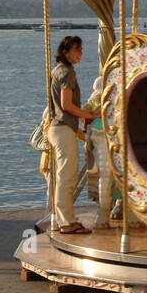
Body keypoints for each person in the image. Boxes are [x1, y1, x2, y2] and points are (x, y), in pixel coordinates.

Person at [47, 36, 98, 234]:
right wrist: (90, 115)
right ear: (66, 52)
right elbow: (66, 105)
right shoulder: (67, 73)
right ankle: (66, 221)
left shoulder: (57, 71)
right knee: (67, 176)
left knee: (65, 175)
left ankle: (66, 218)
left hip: (58, 127)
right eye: (77, 49)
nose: (80, 53)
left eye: (80, 49)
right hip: (63, 127)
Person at [85, 77, 122, 229]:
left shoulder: (97, 99)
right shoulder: (98, 99)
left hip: (106, 135)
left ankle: (107, 209)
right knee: (112, 174)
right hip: (103, 136)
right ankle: (108, 208)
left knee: (111, 174)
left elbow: (85, 115)